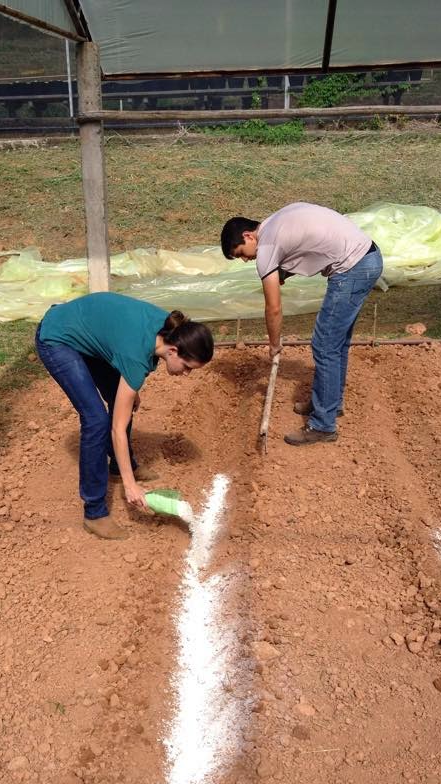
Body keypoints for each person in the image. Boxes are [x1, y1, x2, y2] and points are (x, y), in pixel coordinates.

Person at [35, 292, 214, 540]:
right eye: (186, 368)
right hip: (58, 336)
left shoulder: (170, 328)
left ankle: (121, 466)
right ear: (173, 350)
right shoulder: (137, 355)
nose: (185, 374)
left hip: (83, 328)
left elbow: (121, 346)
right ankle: (94, 514)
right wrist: (131, 487)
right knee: (97, 420)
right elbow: (117, 428)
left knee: (124, 404)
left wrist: (128, 393)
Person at [220, 202, 383, 445]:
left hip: (353, 267)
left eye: (242, 253)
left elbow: (273, 308)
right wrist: (284, 273)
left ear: (248, 235)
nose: (246, 260)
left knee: (325, 344)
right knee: (336, 343)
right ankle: (329, 403)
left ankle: (323, 425)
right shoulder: (275, 221)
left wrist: (274, 344)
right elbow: (306, 243)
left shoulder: (266, 247)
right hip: (367, 257)